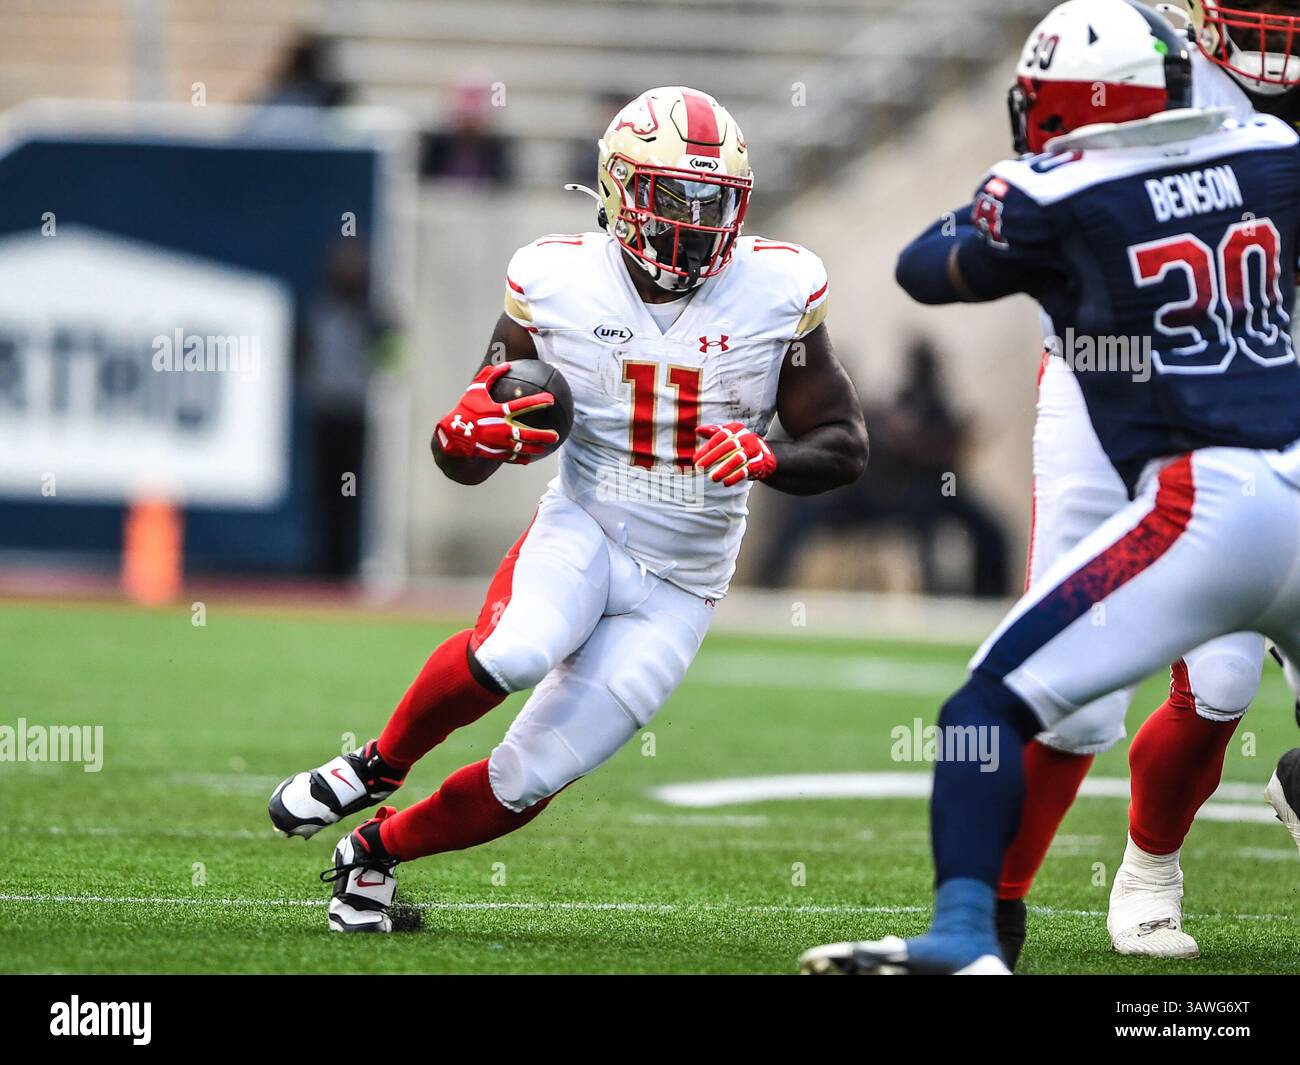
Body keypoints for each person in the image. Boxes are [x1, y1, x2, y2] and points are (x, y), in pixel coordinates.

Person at [268, 86, 869, 931]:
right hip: (586, 522)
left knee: (532, 774)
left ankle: (374, 855)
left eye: (715, 201)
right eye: (676, 196)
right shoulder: (554, 279)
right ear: (619, 190)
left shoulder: (779, 287)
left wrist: (768, 453)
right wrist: (460, 436)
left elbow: (844, 442)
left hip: (686, 582)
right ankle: (375, 763)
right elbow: (466, 444)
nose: (697, 221)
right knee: (515, 650)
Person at [800, 0, 1300, 974]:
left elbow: (925, 269)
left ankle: (977, 931)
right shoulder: (1272, 142)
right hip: (1151, 406)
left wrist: (1001, 206)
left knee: (1016, 702)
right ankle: (1007, 910)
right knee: (1083, 711)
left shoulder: (1065, 183)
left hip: (1212, 482)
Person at [995, 0, 1300, 967]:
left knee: (1220, 677)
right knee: (1060, 681)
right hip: (1103, 380)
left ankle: (1149, 868)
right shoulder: (1128, 58)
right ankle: (979, 914)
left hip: (1247, 393)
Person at [758, 337, 1009, 596]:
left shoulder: (928, 405)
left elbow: (935, 447)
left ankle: (971, 594)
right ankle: (769, 583)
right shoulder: (809, 407)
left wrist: (945, 441)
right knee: (799, 517)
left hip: (928, 493)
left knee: (985, 530)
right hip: (843, 494)